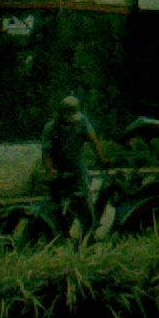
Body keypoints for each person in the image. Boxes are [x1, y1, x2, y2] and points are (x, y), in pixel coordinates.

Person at [40, 95, 107, 235]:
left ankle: (89, 232)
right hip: (59, 171)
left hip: (78, 170)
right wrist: (50, 169)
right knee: (58, 206)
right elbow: (46, 152)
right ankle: (58, 233)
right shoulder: (51, 128)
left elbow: (94, 141)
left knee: (84, 201)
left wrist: (101, 159)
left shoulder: (82, 122)